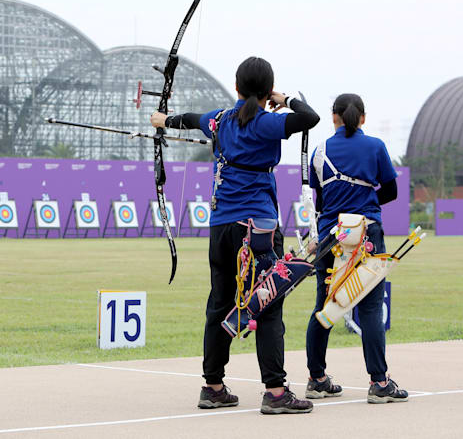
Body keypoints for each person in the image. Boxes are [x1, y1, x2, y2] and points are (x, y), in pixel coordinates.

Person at [151, 56, 319, 414]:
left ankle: (212, 387)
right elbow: (310, 118)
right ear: (265, 88)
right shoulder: (266, 123)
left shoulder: (221, 120)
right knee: (268, 305)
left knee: (220, 302)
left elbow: (192, 119)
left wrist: (163, 121)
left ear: (237, 86)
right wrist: (282, 97)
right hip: (256, 229)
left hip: (222, 226)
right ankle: (275, 392)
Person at [304, 93, 407, 403]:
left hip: (331, 237)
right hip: (367, 234)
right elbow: (390, 189)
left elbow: (321, 202)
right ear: (362, 118)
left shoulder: (320, 151)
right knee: (371, 308)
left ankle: (316, 378)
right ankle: (379, 383)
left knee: (325, 305)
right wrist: (367, 199)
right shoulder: (375, 146)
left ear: (334, 117)